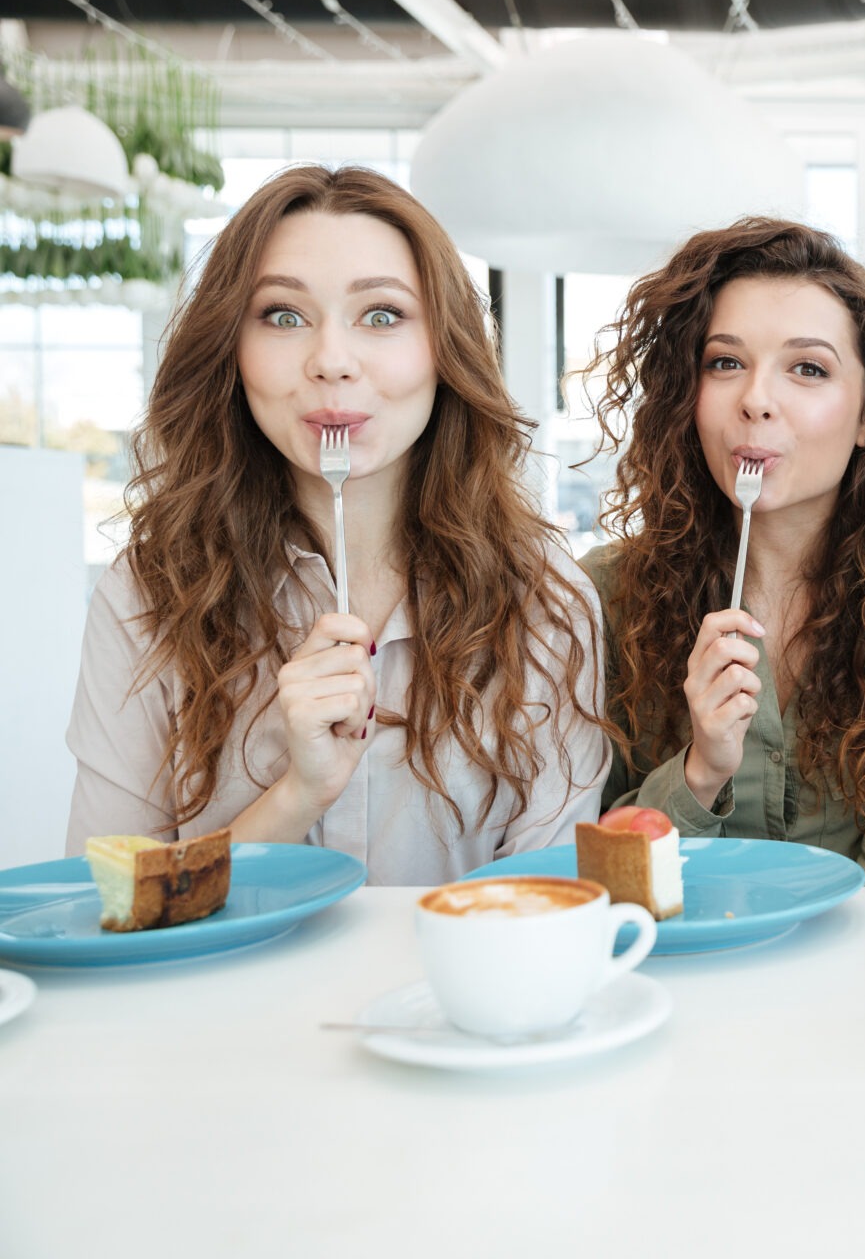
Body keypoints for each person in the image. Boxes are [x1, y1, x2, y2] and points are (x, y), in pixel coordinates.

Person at [65, 165, 609, 885]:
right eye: (283, 316)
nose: (331, 361)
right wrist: (298, 794)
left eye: (382, 315)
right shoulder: (148, 595)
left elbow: (548, 913)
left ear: (446, 349)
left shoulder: (547, 604)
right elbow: (107, 913)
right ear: (231, 349)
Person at [582, 218, 865, 887]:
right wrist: (700, 771)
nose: (756, 400)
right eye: (725, 363)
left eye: (808, 369)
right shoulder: (602, 600)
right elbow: (598, 876)